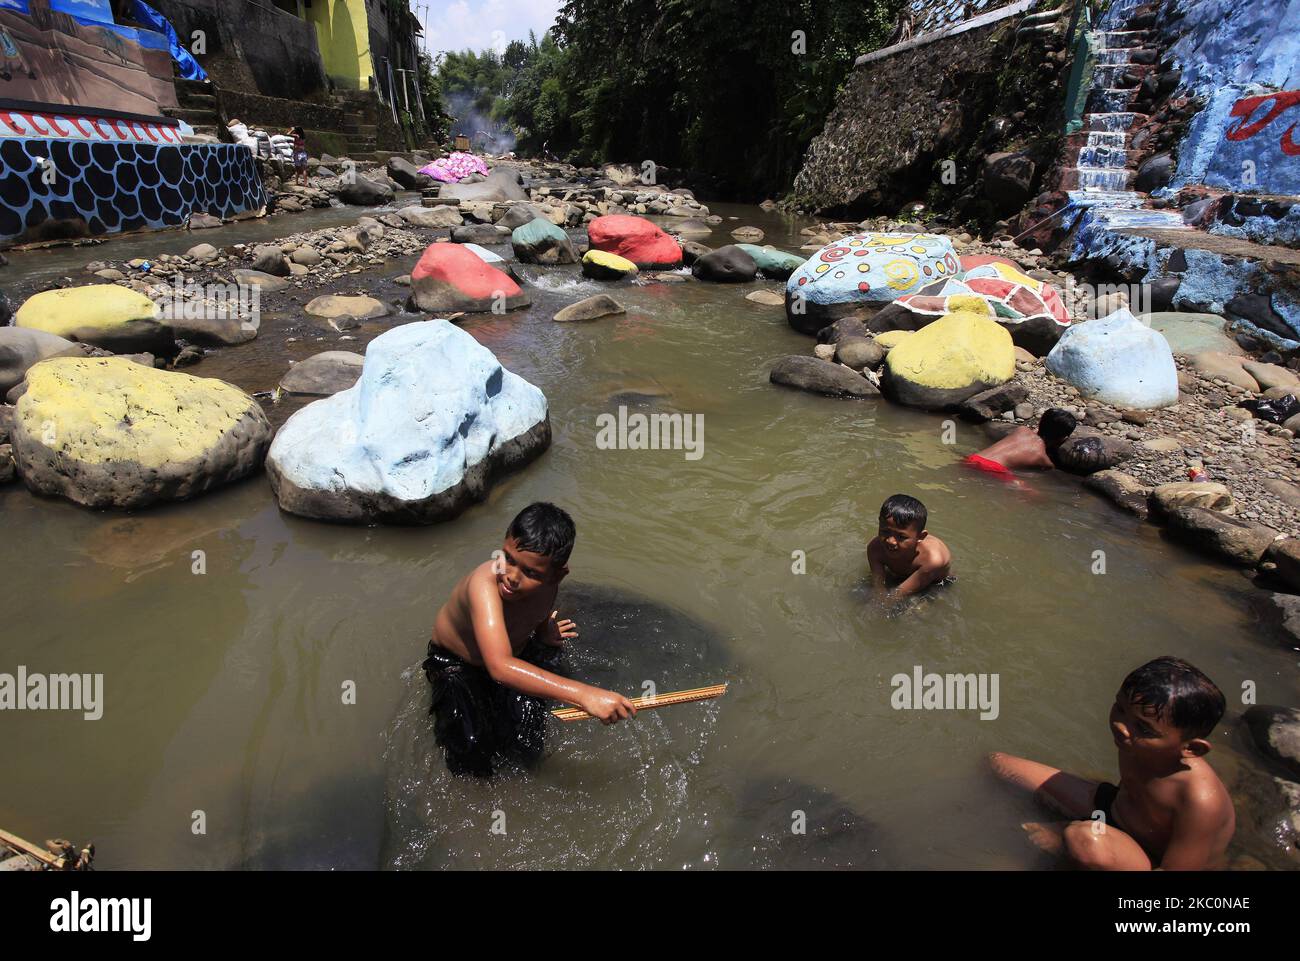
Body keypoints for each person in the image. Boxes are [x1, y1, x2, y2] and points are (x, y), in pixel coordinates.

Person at [423, 503, 636, 776]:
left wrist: (546, 630)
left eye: (531, 573)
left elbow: (538, 611)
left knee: (527, 735)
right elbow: (499, 667)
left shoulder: (550, 584)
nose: (512, 577)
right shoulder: (483, 585)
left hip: (512, 658)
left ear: (557, 575)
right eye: (508, 559)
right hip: (457, 665)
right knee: (471, 749)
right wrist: (584, 695)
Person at [989, 657, 1235, 870]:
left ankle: (1078, 840)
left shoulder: (1201, 800)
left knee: (1084, 841)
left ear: (1191, 748)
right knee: (999, 764)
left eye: (1143, 727)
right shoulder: (1134, 741)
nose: (1120, 725)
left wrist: (1062, 837)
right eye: (1120, 708)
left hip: (1148, 857)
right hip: (1113, 809)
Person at [867, 494, 952, 601]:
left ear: (920, 537)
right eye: (885, 531)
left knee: (914, 611)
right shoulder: (875, 548)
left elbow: (897, 595)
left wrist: (880, 607)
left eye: (901, 537)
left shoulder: (932, 560)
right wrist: (878, 595)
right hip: (901, 576)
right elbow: (877, 584)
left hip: (934, 584)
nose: (890, 541)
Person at [963, 408, 1077, 478]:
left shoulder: (1022, 430)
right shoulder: (1042, 459)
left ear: (1040, 422)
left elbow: (1036, 433)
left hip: (972, 459)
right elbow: (1049, 468)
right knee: (1027, 489)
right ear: (1061, 438)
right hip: (993, 468)